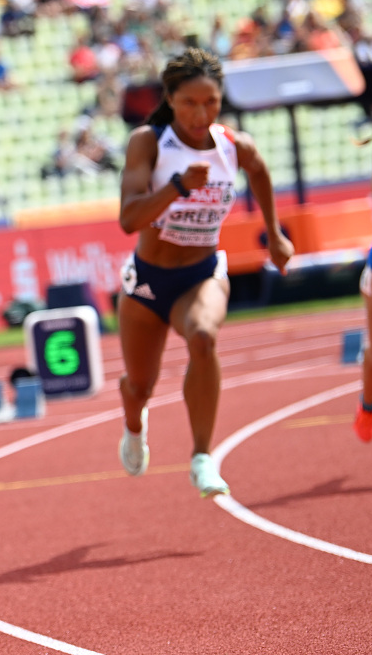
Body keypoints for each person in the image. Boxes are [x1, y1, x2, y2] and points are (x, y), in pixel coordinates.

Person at [117, 48, 292, 497]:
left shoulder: (235, 145)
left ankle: (201, 457)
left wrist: (274, 234)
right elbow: (129, 219)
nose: (201, 113)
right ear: (171, 99)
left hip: (201, 273)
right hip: (148, 281)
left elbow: (260, 172)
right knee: (139, 385)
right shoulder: (149, 142)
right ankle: (134, 427)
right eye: (191, 103)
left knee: (203, 337)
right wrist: (177, 187)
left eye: (211, 102)